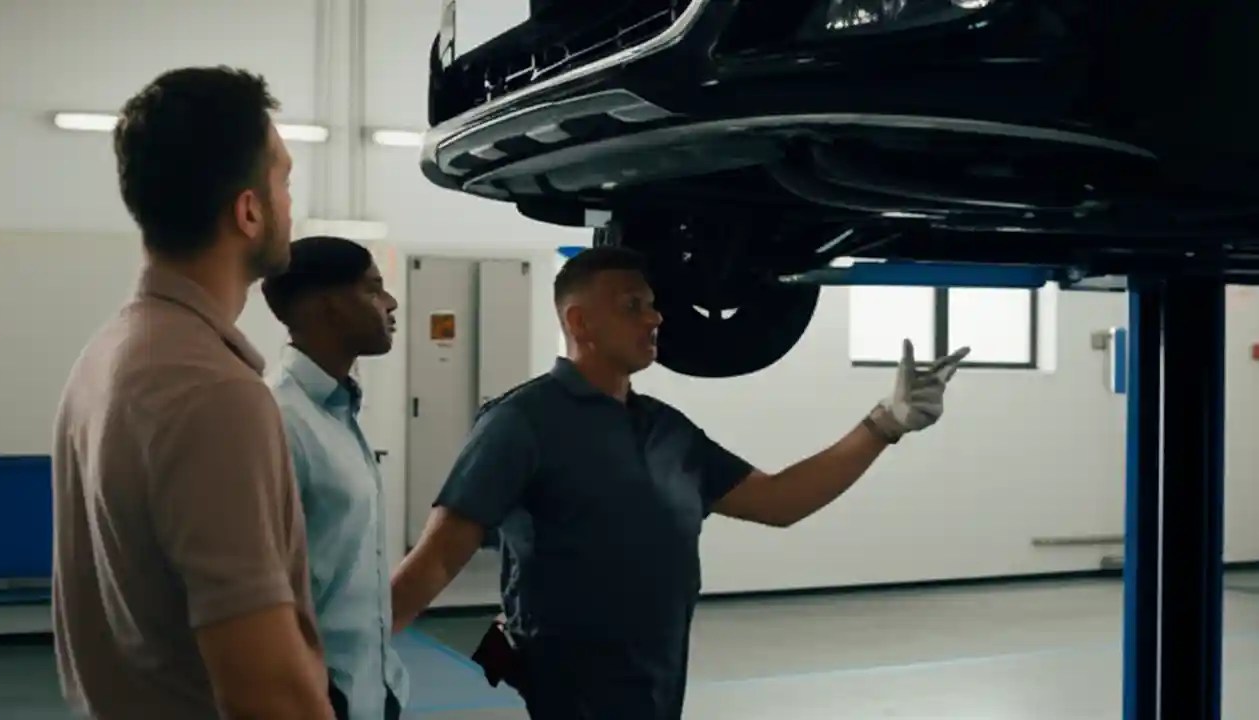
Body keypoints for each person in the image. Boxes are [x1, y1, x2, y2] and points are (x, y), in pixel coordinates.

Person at [388, 245, 970, 719]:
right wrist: (349, 654)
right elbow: (439, 556)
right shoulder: (522, 422)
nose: (657, 317)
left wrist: (883, 425)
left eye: (653, 304)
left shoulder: (667, 430)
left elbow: (780, 501)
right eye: (633, 306)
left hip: (659, 679)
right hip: (571, 689)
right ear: (579, 322)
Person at [51, 66, 335, 720]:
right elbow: (267, 691)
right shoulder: (213, 393)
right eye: (284, 180)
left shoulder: (106, 357)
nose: (291, 204)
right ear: (249, 210)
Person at [260, 236, 409, 720]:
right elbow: (263, 585)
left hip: (374, 687)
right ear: (329, 307)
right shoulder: (279, 420)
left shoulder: (340, 412)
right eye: (373, 289)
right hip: (321, 699)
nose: (390, 303)